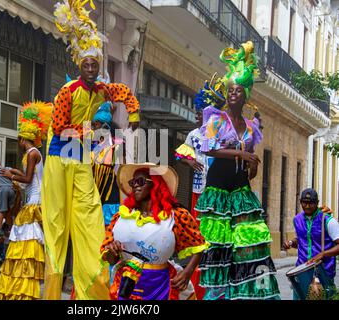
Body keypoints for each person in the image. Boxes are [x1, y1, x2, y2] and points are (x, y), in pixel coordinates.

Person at [42, 0, 140, 300]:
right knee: (57, 226)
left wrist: (133, 114)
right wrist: (91, 130)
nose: (89, 69)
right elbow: (59, 128)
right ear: (78, 65)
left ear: (99, 66)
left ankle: (90, 295)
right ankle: (53, 289)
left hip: (80, 158)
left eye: (94, 64)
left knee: (90, 220)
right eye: (85, 64)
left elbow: (123, 93)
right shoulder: (66, 92)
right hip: (60, 156)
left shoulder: (101, 89)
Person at [194, 41, 280, 300]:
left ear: (246, 95)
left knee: (249, 244)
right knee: (217, 247)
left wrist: (251, 165)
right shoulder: (215, 119)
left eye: (238, 91)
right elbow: (209, 149)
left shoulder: (252, 127)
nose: (233, 94)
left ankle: (247, 293)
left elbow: (250, 173)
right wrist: (241, 153)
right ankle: (217, 296)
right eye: (230, 90)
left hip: (242, 191)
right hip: (218, 190)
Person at [100, 163, 209, 300]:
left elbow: (199, 246)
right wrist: (112, 251)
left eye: (140, 181)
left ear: (155, 184)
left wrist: (187, 272)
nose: (135, 185)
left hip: (160, 286)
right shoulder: (120, 217)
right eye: (132, 182)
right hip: (125, 286)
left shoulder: (176, 216)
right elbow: (111, 260)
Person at [174, 78, 225, 300]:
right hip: (198, 189)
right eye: (196, 112)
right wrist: (190, 161)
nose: (196, 115)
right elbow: (180, 153)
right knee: (198, 230)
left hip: (216, 190)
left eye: (199, 112)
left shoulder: (221, 134)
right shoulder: (194, 135)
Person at [0, 101, 52, 300]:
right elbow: (30, 178)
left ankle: (23, 289)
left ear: (22, 139)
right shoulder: (33, 153)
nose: (18, 143)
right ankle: (21, 286)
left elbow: (28, 180)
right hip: (33, 202)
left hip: (33, 204)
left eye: (18, 139)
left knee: (24, 245)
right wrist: (13, 172)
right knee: (22, 245)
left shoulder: (32, 154)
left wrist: (11, 176)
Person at [283, 188, 339, 299]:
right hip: (302, 272)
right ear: (300, 202)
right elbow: (302, 240)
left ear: (317, 203)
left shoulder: (328, 221)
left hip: (323, 272)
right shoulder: (297, 219)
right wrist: (291, 242)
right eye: (304, 202)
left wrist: (323, 254)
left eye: (311, 203)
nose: (307, 206)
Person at [92, 102, 123, 227]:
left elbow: (118, 167)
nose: (93, 128)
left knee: (107, 231)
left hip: (110, 195)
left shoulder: (116, 144)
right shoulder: (94, 144)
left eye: (95, 125)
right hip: (96, 195)